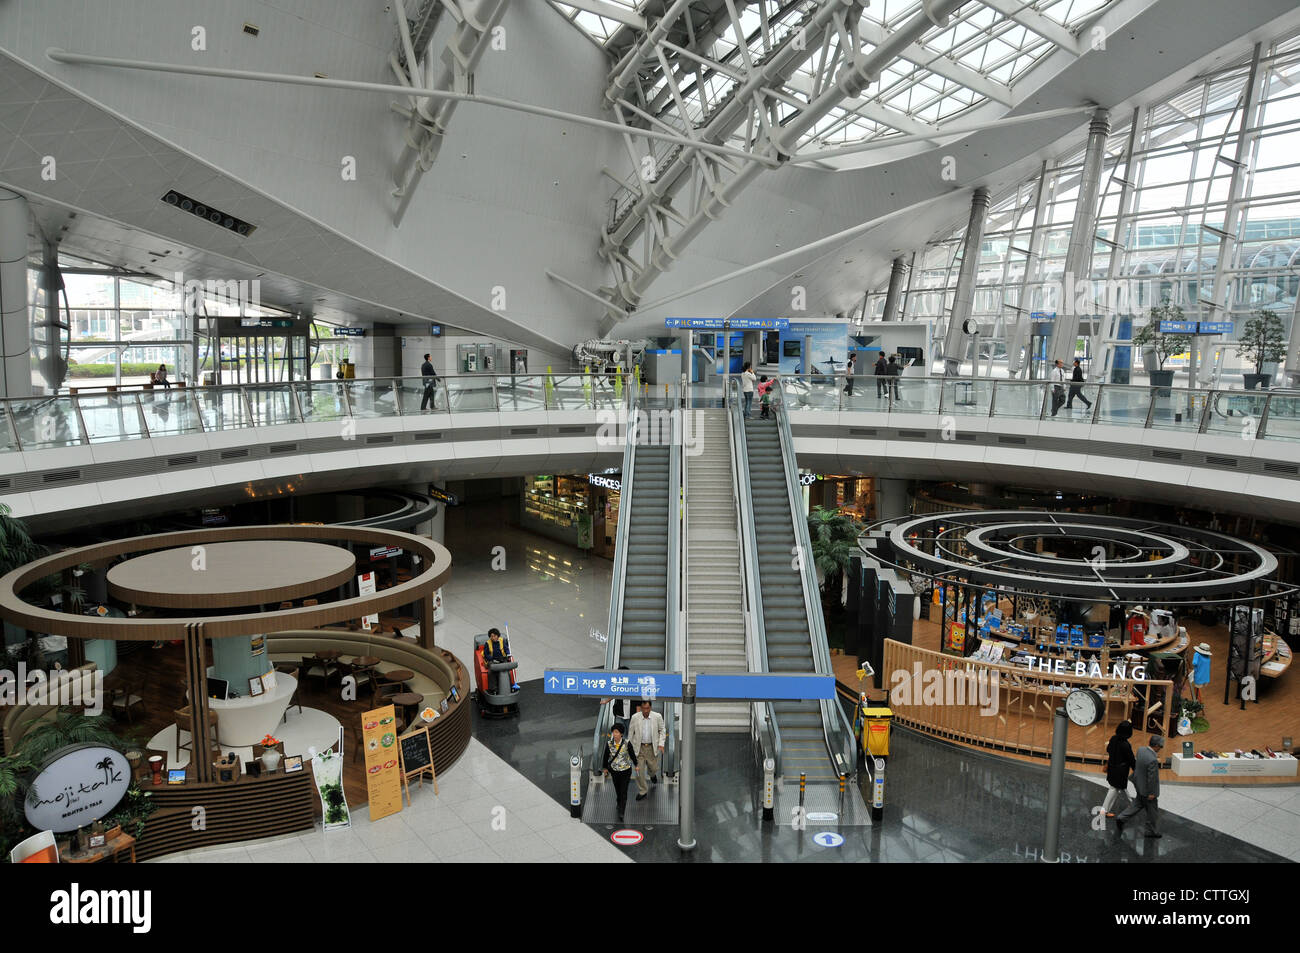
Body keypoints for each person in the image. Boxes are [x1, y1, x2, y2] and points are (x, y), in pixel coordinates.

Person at [1115, 734, 1163, 838]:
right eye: (1160, 746)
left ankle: (1121, 818)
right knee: (1152, 812)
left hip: (1139, 785)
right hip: (1147, 791)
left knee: (1137, 804)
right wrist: (1152, 793)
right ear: (1156, 746)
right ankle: (1151, 831)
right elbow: (1152, 779)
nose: (1160, 748)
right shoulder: (1153, 760)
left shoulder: (1141, 750)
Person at [627, 699, 666, 800]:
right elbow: (631, 733)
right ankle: (643, 790)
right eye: (644, 708)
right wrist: (629, 748)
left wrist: (661, 744)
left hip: (651, 748)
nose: (645, 711)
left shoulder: (657, 717)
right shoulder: (635, 717)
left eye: (647, 708)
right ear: (641, 708)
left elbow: (662, 730)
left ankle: (652, 774)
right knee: (639, 771)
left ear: (651, 708)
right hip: (639, 748)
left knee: (653, 768)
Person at [602, 722, 638, 822]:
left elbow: (632, 754)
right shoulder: (609, 744)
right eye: (613, 732)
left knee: (624, 791)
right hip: (614, 771)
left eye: (617, 732)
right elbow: (605, 757)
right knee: (618, 789)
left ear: (621, 734)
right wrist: (605, 768)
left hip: (626, 771)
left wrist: (636, 765)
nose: (615, 734)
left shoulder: (627, 743)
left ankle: (622, 811)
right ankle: (618, 801)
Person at [1102, 720, 1135, 819]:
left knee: (1116, 788)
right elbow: (1131, 759)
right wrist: (1136, 769)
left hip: (1112, 767)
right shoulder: (1126, 745)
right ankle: (1104, 810)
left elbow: (1108, 750)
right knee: (1114, 789)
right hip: (1121, 771)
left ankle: (1131, 804)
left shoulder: (1113, 739)